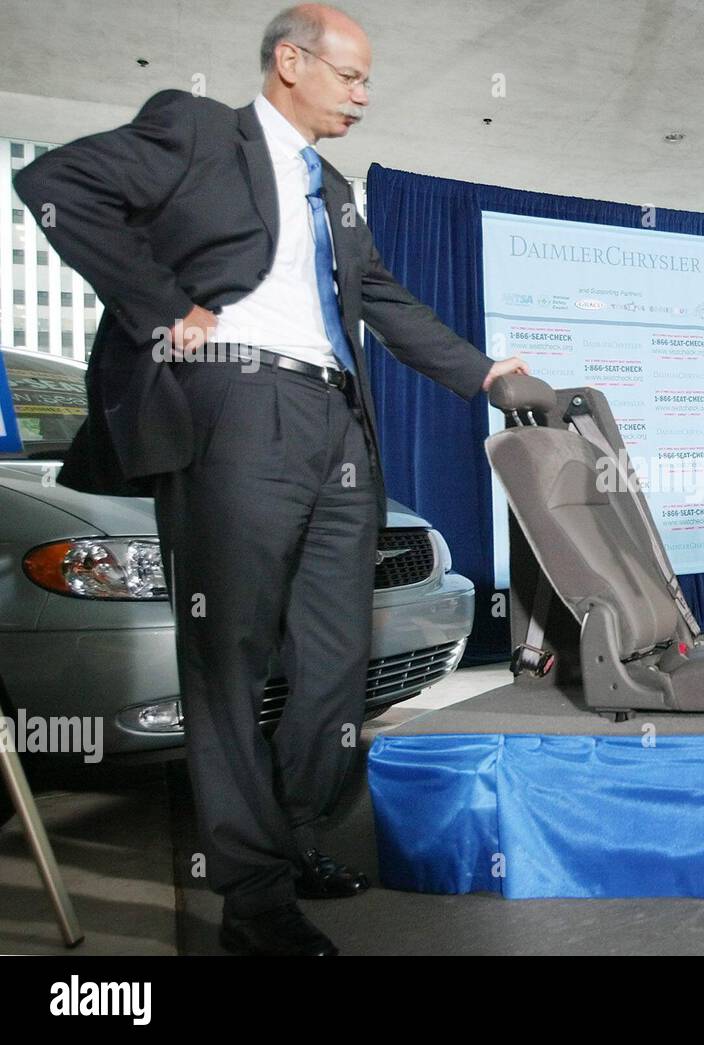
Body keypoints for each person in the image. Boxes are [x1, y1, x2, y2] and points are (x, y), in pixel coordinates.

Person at [13, 3, 527, 955]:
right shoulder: (199, 130)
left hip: (335, 419)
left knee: (335, 656)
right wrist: (164, 306)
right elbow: (54, 183)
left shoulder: (332, 187)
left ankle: (292, 837)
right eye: (350, 75)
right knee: (230, 662)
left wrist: (487, 375)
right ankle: (250, 898)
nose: (365, 93)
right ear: (291, 62)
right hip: (233, 411)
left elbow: (380, 299)